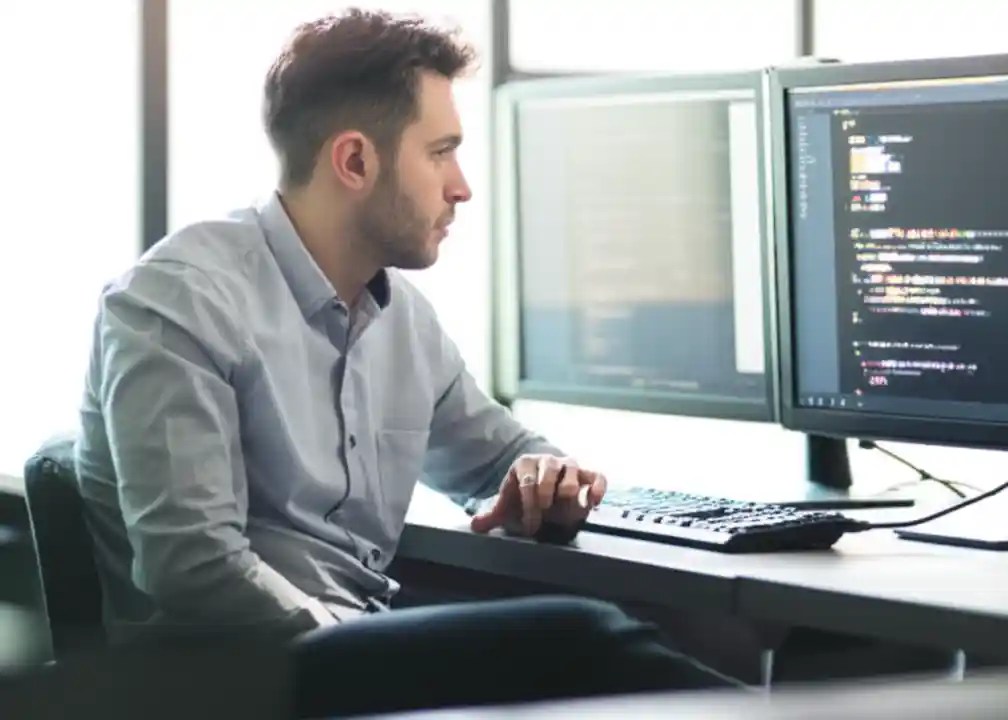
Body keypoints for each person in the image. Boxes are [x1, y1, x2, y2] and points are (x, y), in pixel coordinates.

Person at [74, 8, 735, 716]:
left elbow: (497, 458)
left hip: (354, 644)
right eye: (440, 152)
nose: (461, 186)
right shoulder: (179, 299)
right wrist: (356, 642)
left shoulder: (402, 319)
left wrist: (544, 477)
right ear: (355, 161)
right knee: (584, 637)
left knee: (625, 623)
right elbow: (193, 567)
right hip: (239, 681)